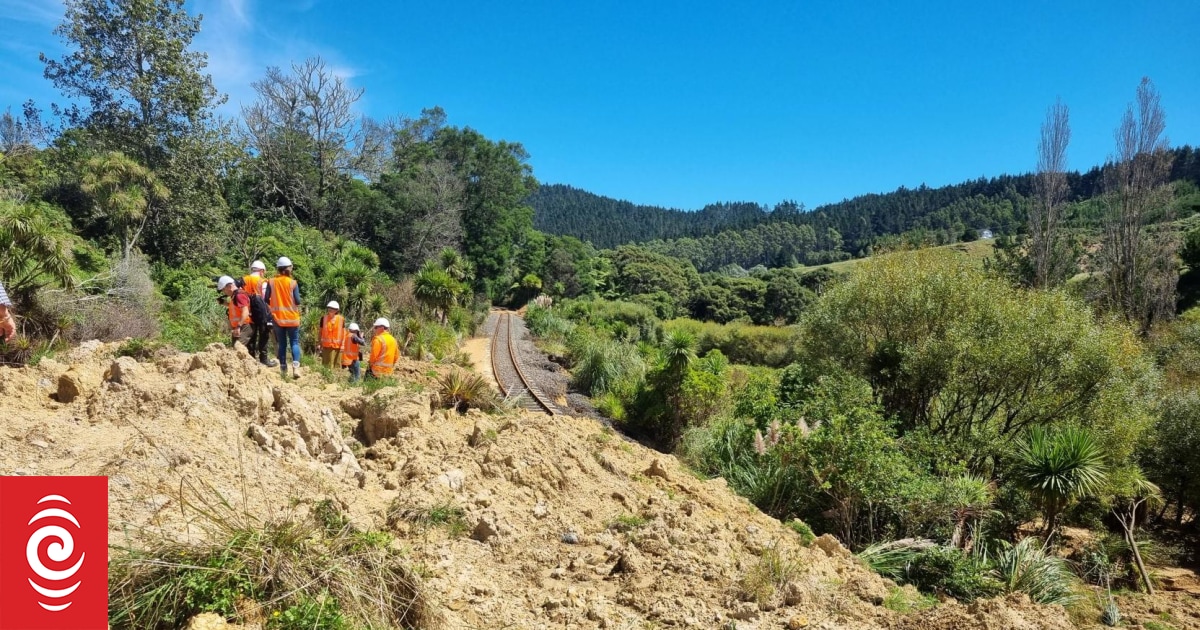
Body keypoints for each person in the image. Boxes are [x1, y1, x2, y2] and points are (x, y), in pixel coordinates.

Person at [264, 256, 302, 379]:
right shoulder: (293, 283)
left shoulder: (271, 282)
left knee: (282, 344)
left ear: (278, 269)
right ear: (289, 269)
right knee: (294, 343)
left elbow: (266, 299)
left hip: (278, 318)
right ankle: (296, 367)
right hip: (292, 318)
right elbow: (297, 301)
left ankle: (283, 368)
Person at [217, 275, 251, 347]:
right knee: (235, 349)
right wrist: (223, 303)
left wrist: (239, 326)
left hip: (244, 326)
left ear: (229, 286)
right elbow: (236, 308)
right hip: (239, 326)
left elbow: (245, 311)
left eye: (223, 289)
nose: (223, 292)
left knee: (237, 349)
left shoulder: (239, 295)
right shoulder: (235, 296)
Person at [318, 301, 345, 370]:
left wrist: (343, 345)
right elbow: (320, 332)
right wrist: (319, 343)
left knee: (336, 366)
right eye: (329, 308)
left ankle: (335, 379)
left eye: (333, 308)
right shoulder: (323, 318)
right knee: (326, 365)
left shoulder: (341, 319)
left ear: (337, 310)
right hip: (326, 346)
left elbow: (343, 333)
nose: (330, 309)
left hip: (337, 347)